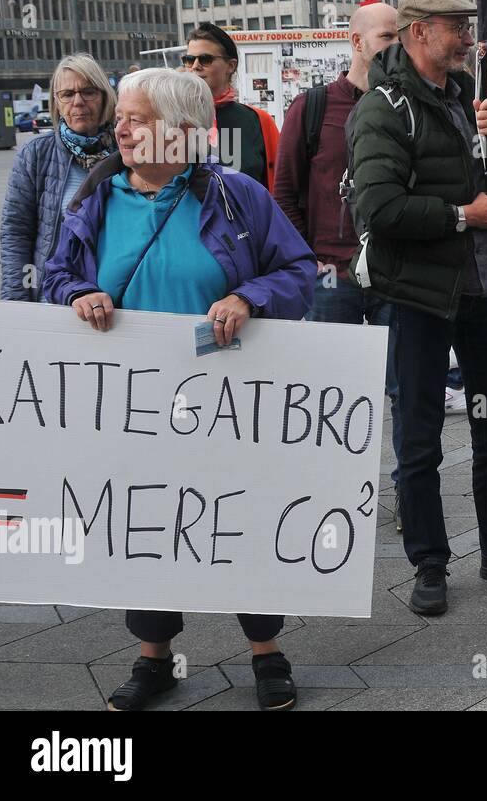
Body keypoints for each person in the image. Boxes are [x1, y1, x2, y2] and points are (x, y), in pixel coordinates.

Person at [42, 67, 315, 711]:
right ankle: (153, 657)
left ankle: (266, 651)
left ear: (185, 133)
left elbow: (299, 271)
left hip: (226, 400)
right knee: (146, 520)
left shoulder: (237, 196)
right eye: (123, 118)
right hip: (134, 406)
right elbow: (56, 275)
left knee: (240, 514)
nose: (121, 128)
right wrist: (78, 294)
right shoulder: (92, 199)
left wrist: (251, 295)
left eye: (138, 119)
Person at [347, 0, 487, 617]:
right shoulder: (384, 109)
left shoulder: (469, 97)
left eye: (467, 27)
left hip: (485, 293)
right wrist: (463, 216)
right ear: (416, 33)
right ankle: (429, 563)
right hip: (418, 298)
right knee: (419, 436)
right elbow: (377, 208)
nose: (467, 37)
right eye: (454, 28)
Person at [274, 0, 405, 525]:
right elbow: (284, 194)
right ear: (356, 41)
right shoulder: (311, 108)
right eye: (387, 37)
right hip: (331, 276)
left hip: (396, 273)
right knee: (335, 395)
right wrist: (308, 262)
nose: (396, 46)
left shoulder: (407, 105)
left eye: (401, 36)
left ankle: (404, 493)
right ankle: (336, 493)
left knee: (406, 391)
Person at [1, 54, 116, 301]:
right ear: (56, 102)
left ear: (105, 96)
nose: (78, 102)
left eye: (88, 92)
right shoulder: (36, 153)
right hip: (53, 296)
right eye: (67, 94)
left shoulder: (125, 149)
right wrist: (17, 299)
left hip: (115, 298)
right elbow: (16, 231)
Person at [183, 21, 279, 189]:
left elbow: (278, 184)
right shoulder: (171, 118)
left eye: (205, 59)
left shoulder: (259, 121)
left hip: (246, 213)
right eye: (189, 60)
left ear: (231, 66)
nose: (195, 66)